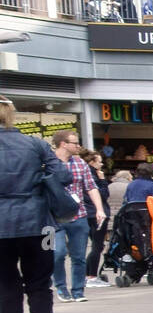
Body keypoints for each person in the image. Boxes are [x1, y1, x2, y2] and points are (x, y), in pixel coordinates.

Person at [0, 97, 65, 313]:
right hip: (41, 225)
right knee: (40, 283)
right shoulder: (35, 144)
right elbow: (62, 175)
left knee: (5, 288)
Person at [49, 129, 107, 303]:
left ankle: (77, 290)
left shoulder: (80, 163)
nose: (78, 146)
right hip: (52, 218)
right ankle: (60, 286)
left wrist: (99, 209)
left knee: (79, 256)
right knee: (56, 253)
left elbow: (91, 187)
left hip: (78, 215)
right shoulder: (48, 163)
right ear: (63, 144)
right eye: (75, 142)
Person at [81, 150, 112, 285]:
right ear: (92, 163)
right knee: (97, 246)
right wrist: (102, 180)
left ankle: (87, 274)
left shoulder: (82, 174)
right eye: (99, 161)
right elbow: (104, 195)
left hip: (86, 213)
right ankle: (91, 275)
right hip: (97, 213)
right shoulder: (93, 177)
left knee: (94, 245)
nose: (101, 164)